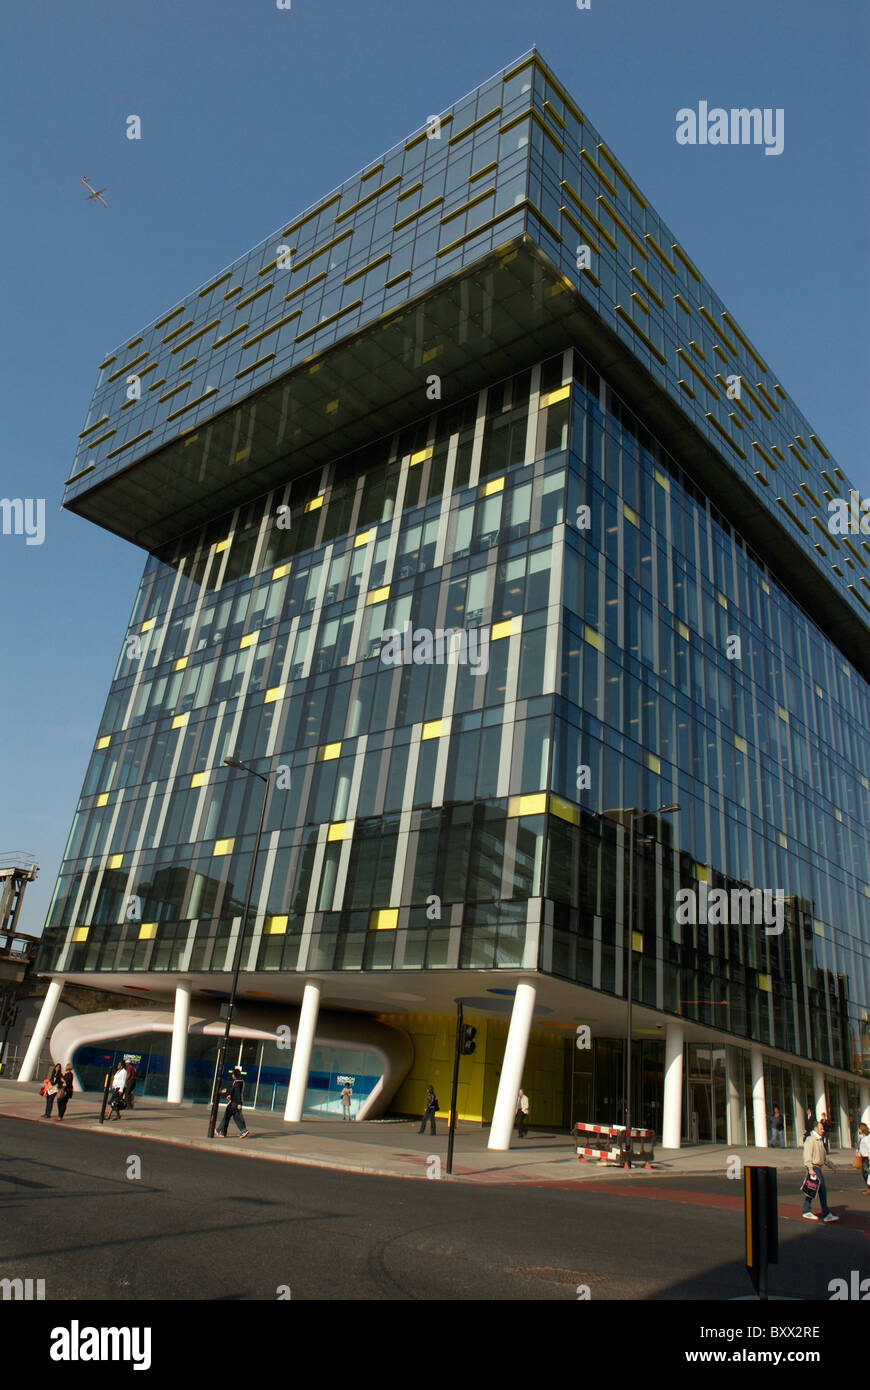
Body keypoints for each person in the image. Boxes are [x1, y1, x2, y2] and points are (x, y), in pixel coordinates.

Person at [802, 1118, 838, 1222]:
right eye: (821, 1128)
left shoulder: (819, 1140)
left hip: (818, 1167)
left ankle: (806, 1210)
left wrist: (831, 1166)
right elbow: (807, 1156)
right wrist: (810, 1169)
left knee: (812, 1189)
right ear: (816, 1129)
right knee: (821, 1190)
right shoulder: (810, 1140)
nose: (823, 1130)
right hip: (814, 1167)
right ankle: (825, 1213)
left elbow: (824, 1157)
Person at [216, 1067, 249, 1138]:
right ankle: (243, 1130)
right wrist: (230, 1095)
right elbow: (235, 1092)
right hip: (234, 1102)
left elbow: (237, 1093)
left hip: (234, 1103)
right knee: (235, 1117)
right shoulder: (240, 1082)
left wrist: (239, 1103)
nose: (232, 1076)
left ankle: (221, 1131)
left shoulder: (237, 1083)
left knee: (227, 1116)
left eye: (233, 1074)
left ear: (235, 1075)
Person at [856, 1122, 870, 1193]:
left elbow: (868, 1148)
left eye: (859, 1128)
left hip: (867, 1158)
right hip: (863, 1157)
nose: (858, 1130)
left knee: (866, 1173)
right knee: (864, 1173)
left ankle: (869, 1188)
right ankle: (868, 1188)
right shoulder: (861, 1137)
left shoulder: (866, 1138)